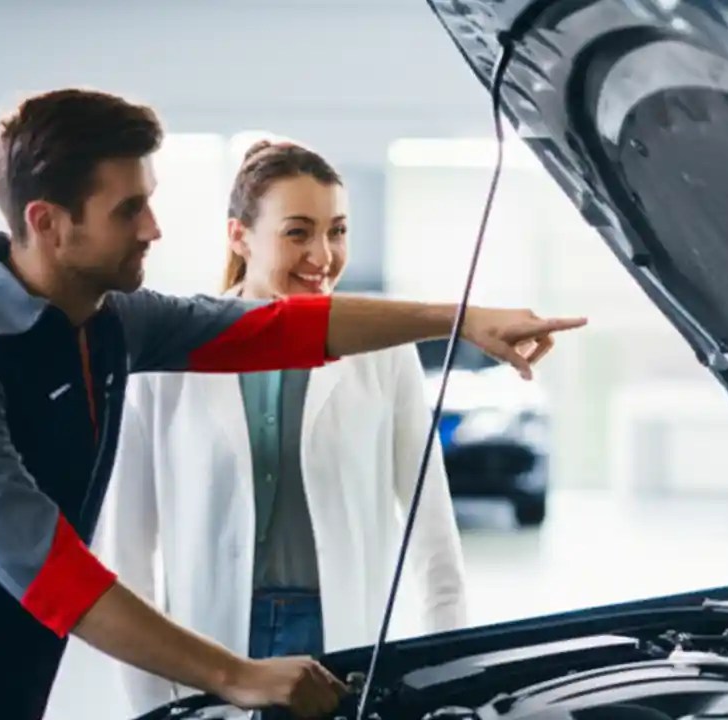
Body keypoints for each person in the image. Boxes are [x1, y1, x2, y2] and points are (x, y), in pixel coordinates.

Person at [0, 88, 585, 719]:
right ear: (47, 222)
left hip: (8, 682)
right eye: (128, 209)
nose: (154, 228)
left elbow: (276, 328)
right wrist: (234, 676)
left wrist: (461, 320)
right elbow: (51, 570)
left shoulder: (110, 323)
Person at [96, 139, 469, 714]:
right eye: (298, 232)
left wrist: (449, 670)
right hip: (211, 644)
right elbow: (128, 545)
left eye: (337, 231)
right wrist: (150, 702)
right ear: (239, 237)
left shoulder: (383, 355)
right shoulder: (165, 356)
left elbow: (432, 531)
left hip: (343, 645)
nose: (323, 254)